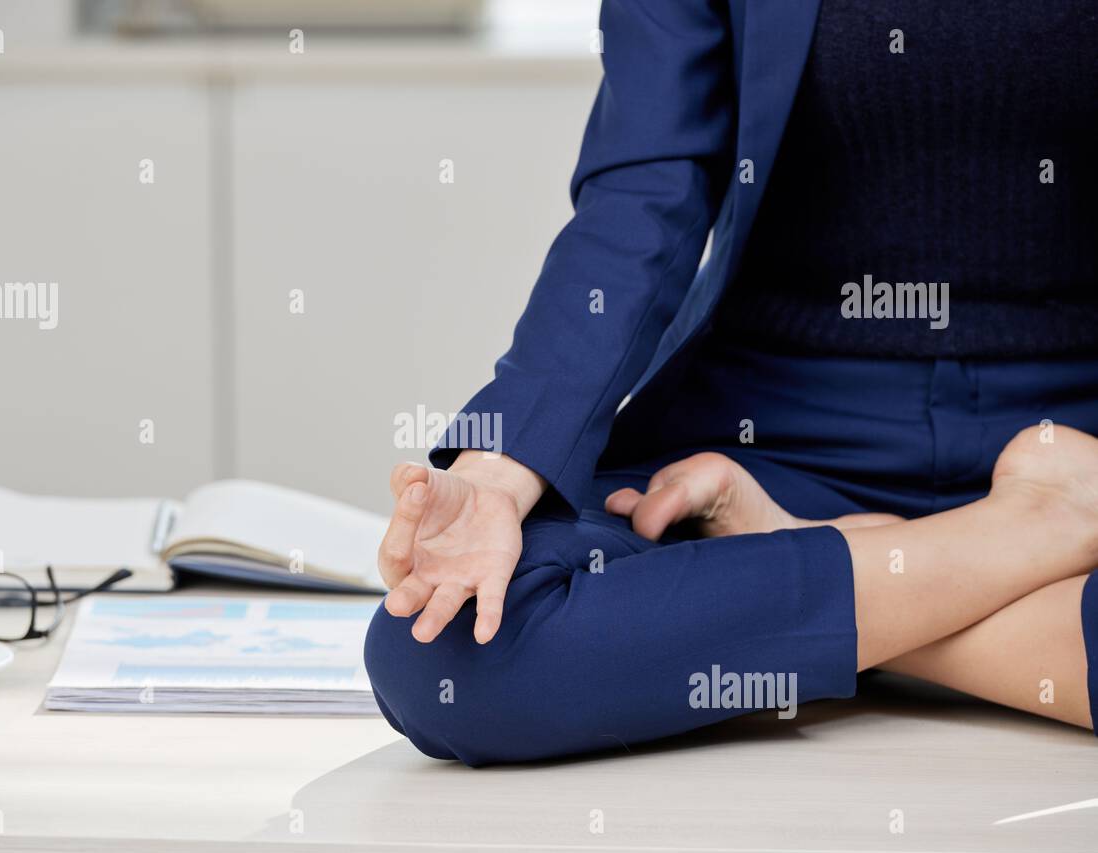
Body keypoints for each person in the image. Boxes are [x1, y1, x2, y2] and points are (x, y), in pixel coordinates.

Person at [363, 0, 1098, 766]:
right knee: (449, 652)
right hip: (770, 440)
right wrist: (498, 470)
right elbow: (645, 191)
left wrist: (807, 575)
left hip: (1076, 441)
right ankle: (1029, 539)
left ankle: (865, 573)